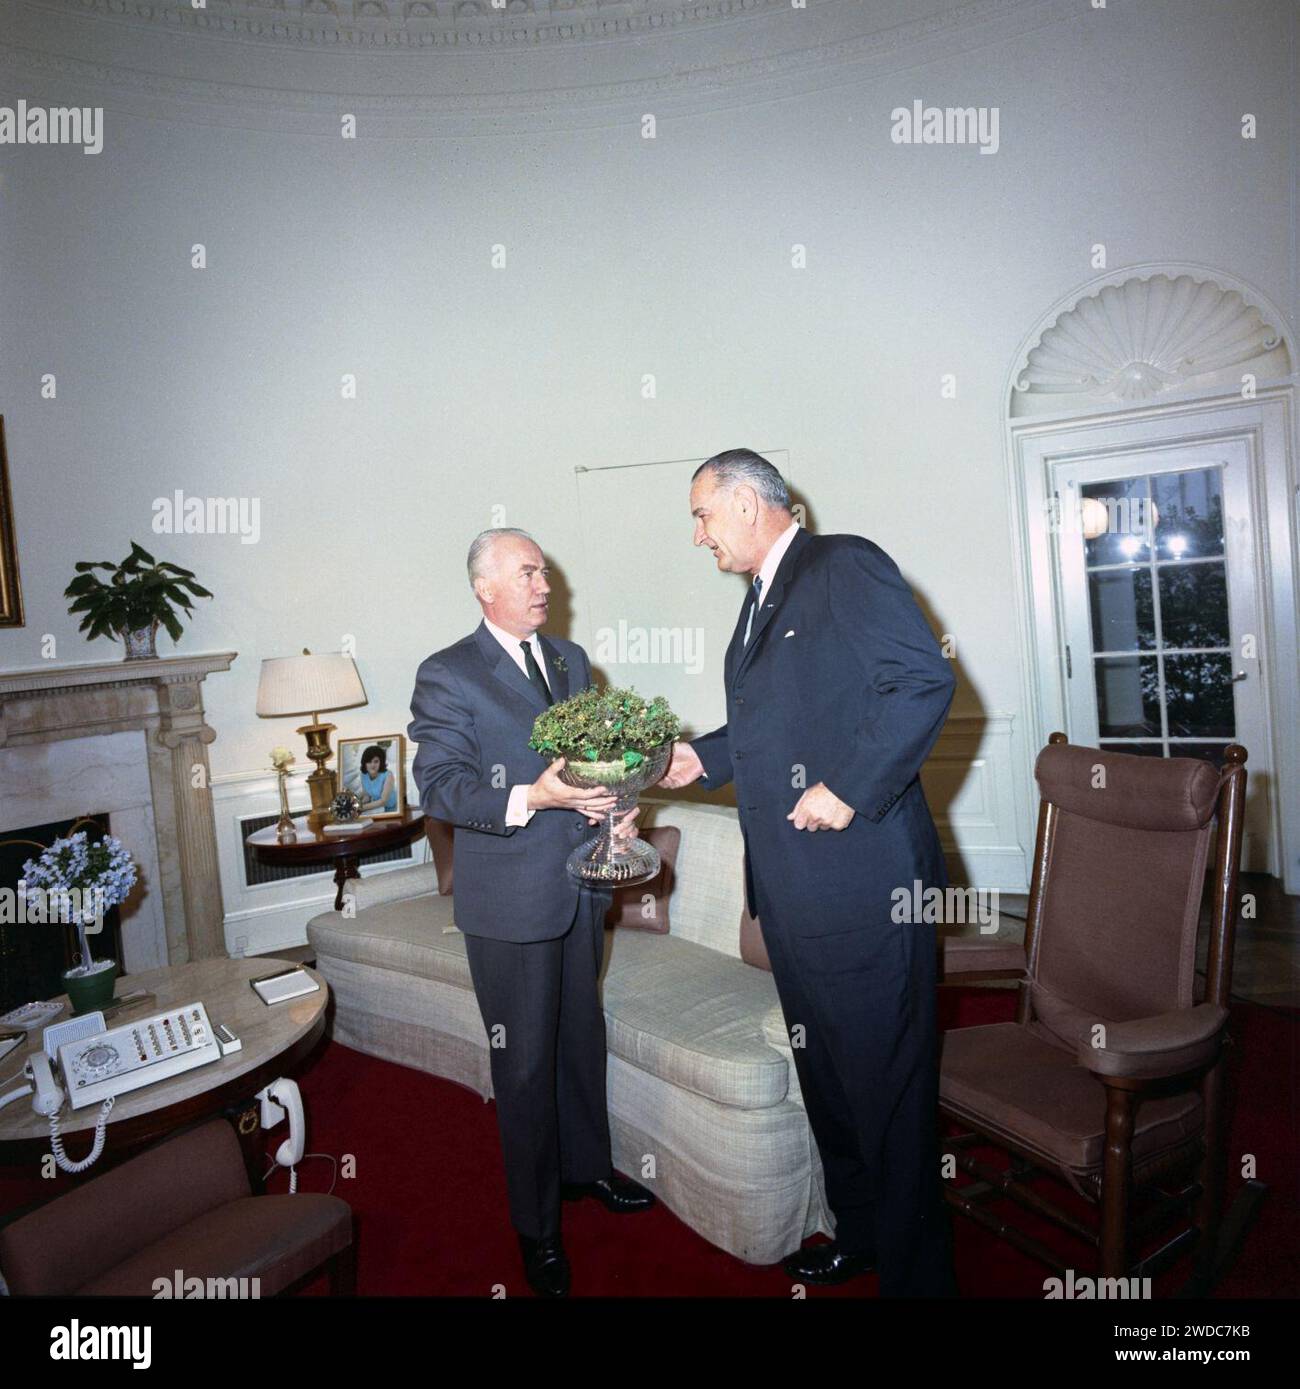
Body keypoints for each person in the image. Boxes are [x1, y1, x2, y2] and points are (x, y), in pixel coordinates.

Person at [660, 449, 958, 1297]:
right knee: (830, 1085)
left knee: (889, 1097)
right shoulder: (757, 602)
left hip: (864, 885)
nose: (697, 536)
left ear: (749, 505)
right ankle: (861, 1232)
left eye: (702, 515)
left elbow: (921, 682)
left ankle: (918, 1279)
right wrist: (698, 756)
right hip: (792, 896)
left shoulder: (843, 565)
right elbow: (779, 721)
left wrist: (849, 789)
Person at [408, 527, 654, 1298]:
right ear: (486, 588)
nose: (545, 585)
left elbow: (595, 760)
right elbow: (441, 787)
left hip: (581, 885)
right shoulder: (446, 673)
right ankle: (538, 1229)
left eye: (545, 570)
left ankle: (587, 1170)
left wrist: (618, 811)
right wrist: (532, 796)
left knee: (582, 1035)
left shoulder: (569, 661)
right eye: (528, 573)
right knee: (523, 1065)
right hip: (509, 901)